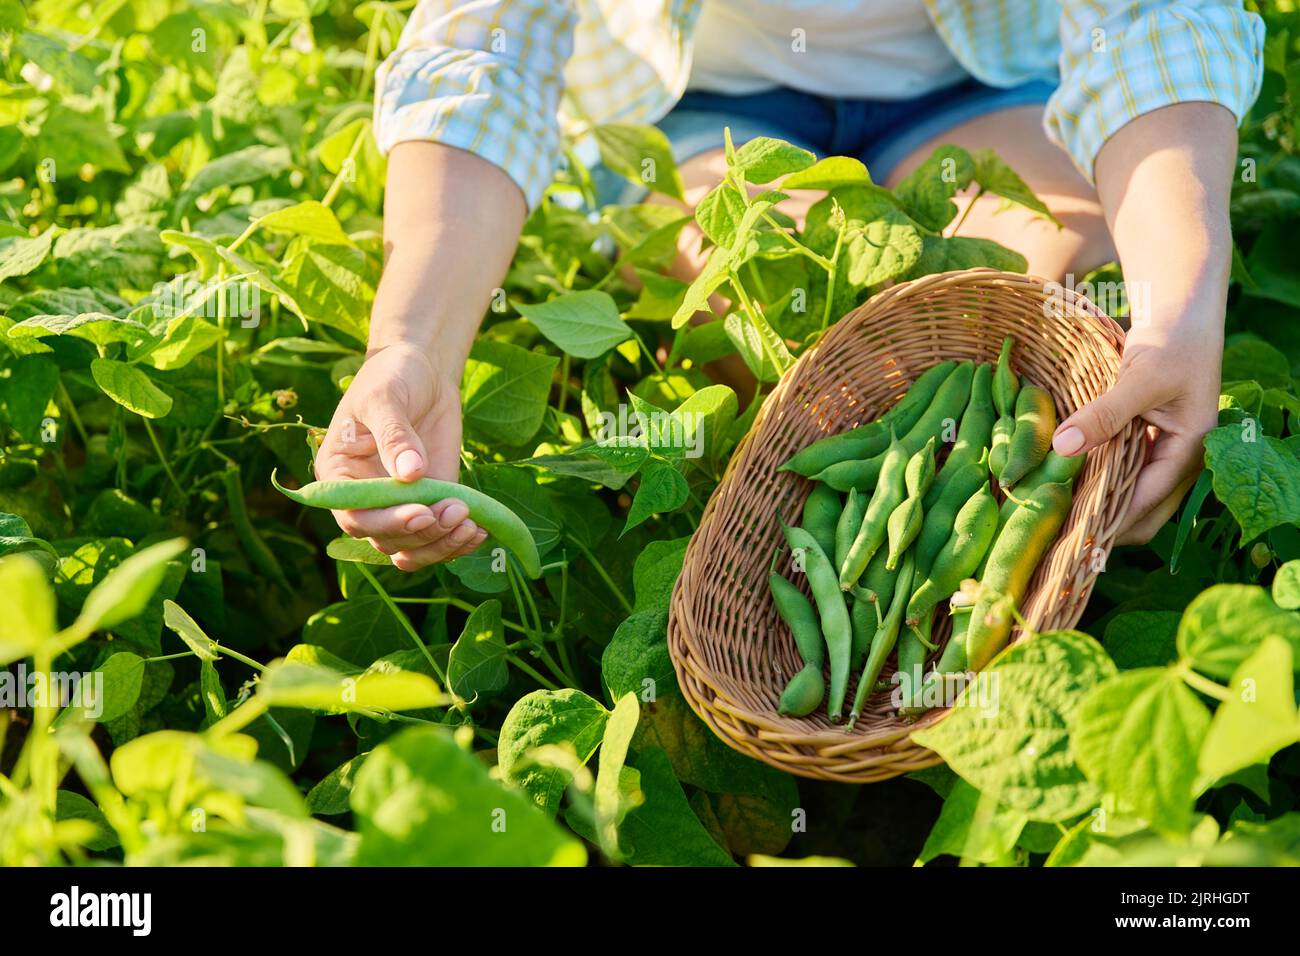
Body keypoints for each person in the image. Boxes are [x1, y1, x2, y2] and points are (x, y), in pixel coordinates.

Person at [314, 0, 1264, 571]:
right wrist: (412, 344)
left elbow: (1157, 16)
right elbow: (488, 51)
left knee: (1038, 324)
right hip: (701, 106)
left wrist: (1178, 307)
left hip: (975, 83)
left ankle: (952, 639)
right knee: (770, 345)